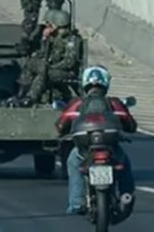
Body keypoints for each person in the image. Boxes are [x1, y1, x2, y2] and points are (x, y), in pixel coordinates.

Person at [54, 65, 137, 217]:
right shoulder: (114, 103)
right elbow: (131, 125)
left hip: (85, 150)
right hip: (111, 147)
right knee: (124, 164)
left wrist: (64, 130)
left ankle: (76, 202)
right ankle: (126, 195)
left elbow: (60, 125)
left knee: (73, 162)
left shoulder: (77, 103)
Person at [14, 8, 84, 106]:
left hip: (66, 72)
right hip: (51, 66)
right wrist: (44, 39)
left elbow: (69, 62)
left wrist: (51, 67)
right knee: (31, 63)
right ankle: (21, 92)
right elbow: (44, 53)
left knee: (44, 71)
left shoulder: (71, 40)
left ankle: (31, 97)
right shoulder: (54, 37)